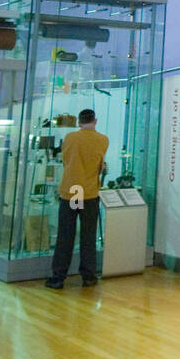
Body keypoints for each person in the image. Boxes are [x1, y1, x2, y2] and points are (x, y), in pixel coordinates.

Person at [45, 108, 108, 288]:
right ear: (95, 121)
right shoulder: (103, 140)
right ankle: (88, 276)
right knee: (88, 235)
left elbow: (66, 161)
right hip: (90, 192)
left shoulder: (71, 138)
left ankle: (58, 277)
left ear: (79, 122)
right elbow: (99, 165)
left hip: (73, 190)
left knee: (66, 235)